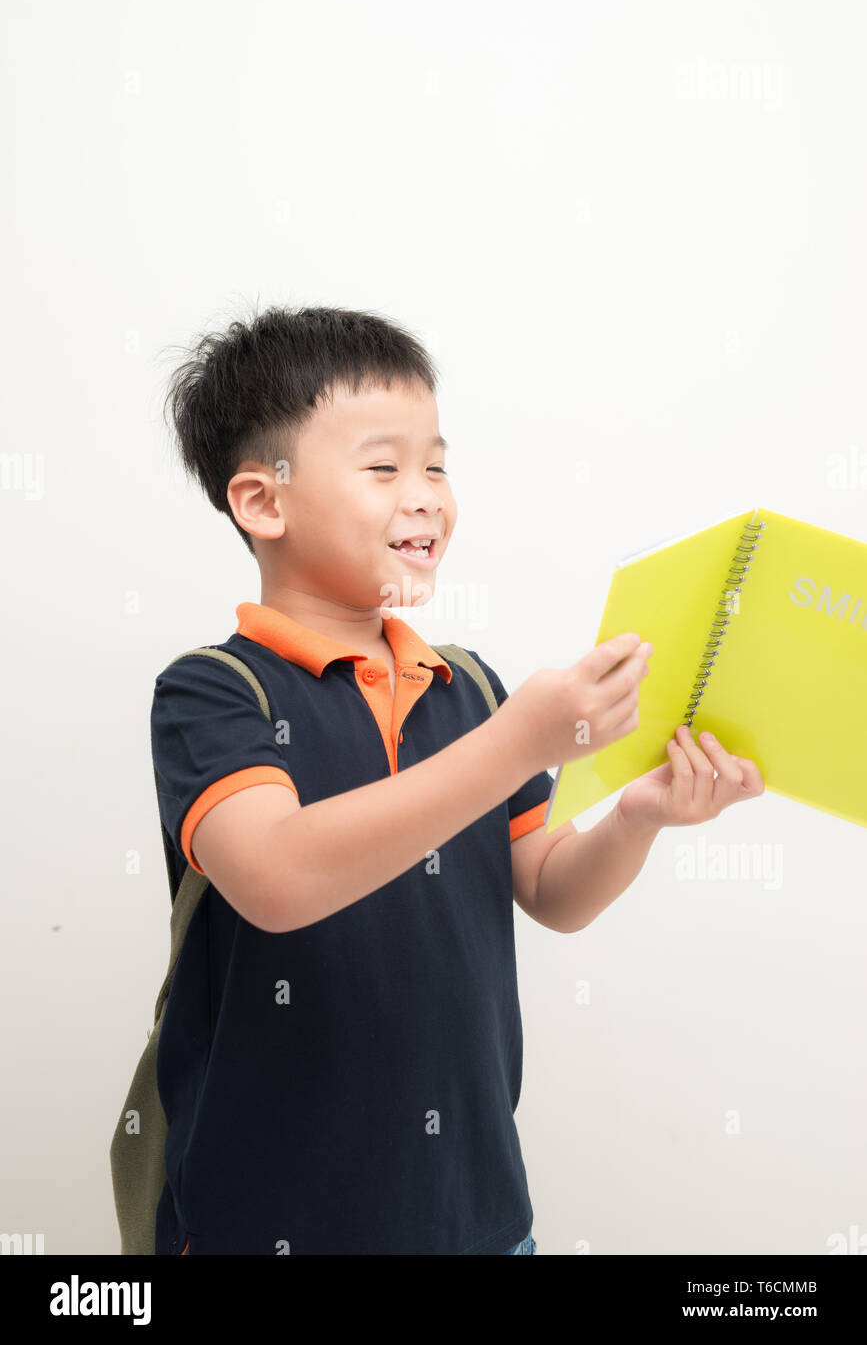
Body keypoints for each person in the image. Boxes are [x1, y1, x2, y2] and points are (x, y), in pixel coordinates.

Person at [148, 304, 764, 1255]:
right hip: (270, 1223)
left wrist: (636, 817)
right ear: (263, 503)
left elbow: (552, 891)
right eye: (383, 466)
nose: (426, 493)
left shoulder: (471, 689)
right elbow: (276, 877)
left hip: (472, 1215)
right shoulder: (213, 692)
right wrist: (520, 744)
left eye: (436, 464)